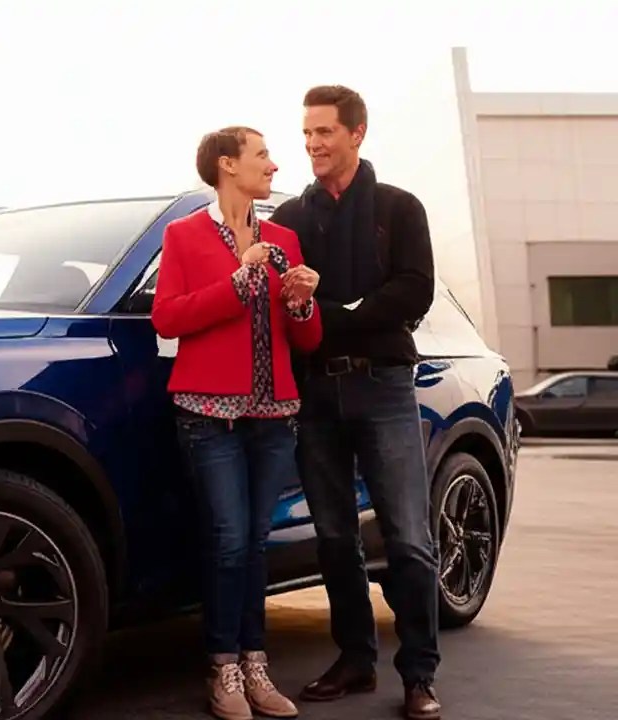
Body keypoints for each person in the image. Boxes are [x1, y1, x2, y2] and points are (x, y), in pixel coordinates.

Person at [269, 85, 442, 720]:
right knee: (335, 537)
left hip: (385, 385)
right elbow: (285, 308)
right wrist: (316, 314)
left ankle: (420, 673)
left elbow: (412, 293)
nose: (313, 145)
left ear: (357, 133)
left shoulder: (399, 208)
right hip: (314, 391)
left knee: (408, 538)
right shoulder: (290, 217)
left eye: (325, 133)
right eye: (307, 134)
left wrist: (332, 312)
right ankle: (355, 660)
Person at [152, 126, 322, 720]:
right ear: (228, 165)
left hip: (275, 416)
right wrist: (235, 281)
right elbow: (166, 318)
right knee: (226, 542)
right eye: (262, 155)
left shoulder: (285, 238)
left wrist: (302, 299)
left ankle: (256, 665)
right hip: (209, 415)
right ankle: (222, 667)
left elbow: (306, 338)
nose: (274, 165)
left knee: (254, 544)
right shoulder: (184, 236)